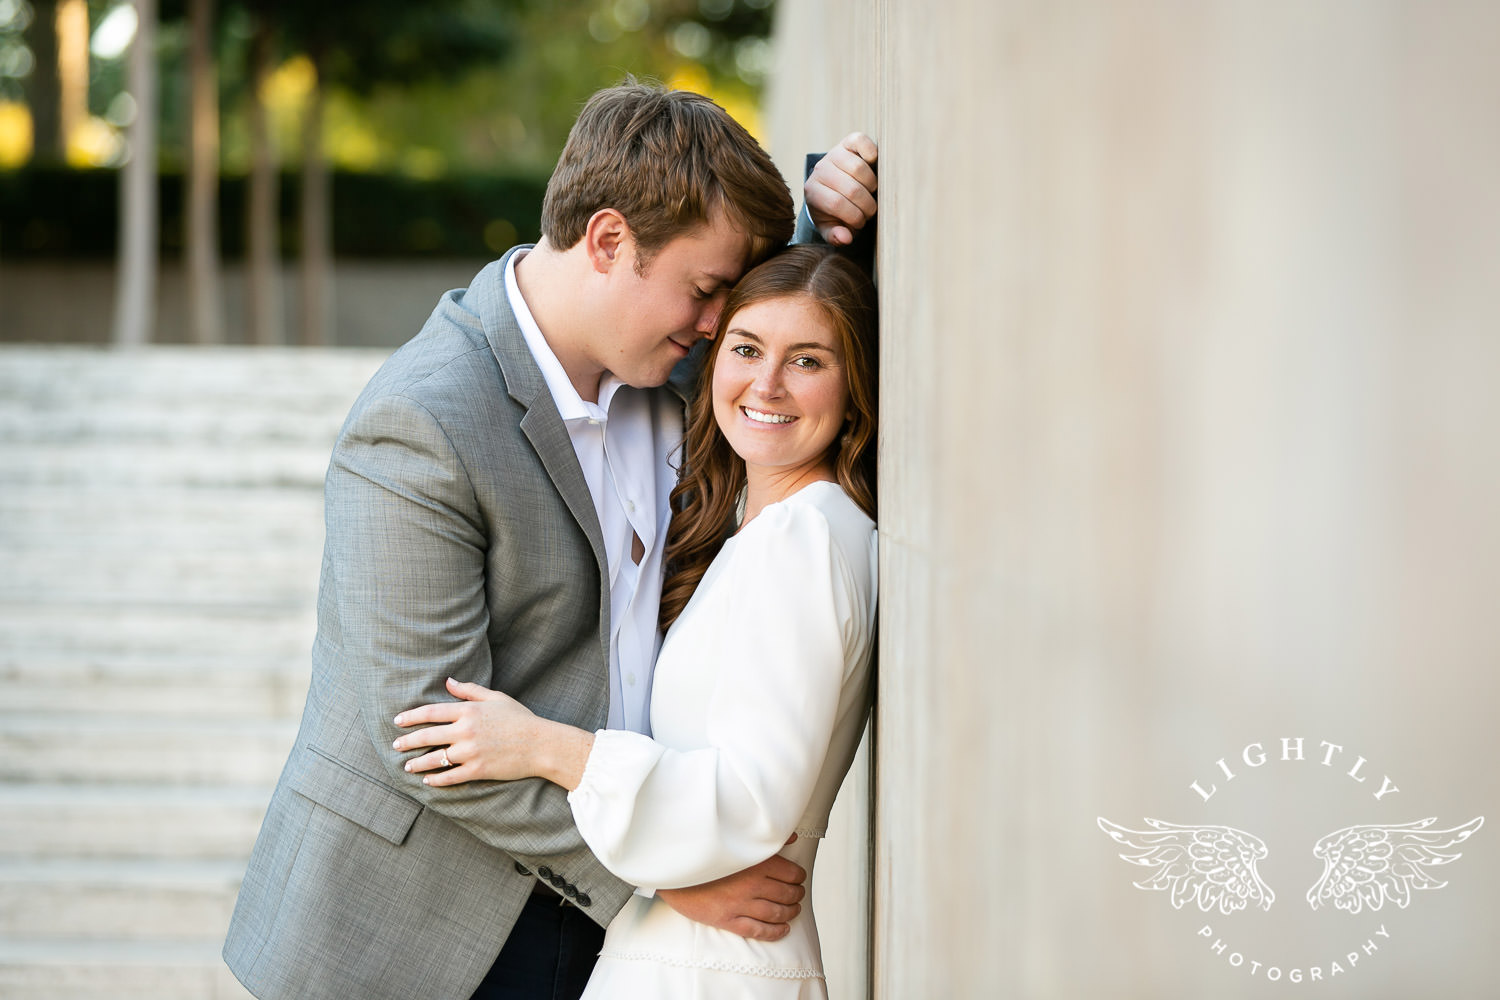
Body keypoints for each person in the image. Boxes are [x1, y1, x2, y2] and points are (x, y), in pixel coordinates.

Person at [222, 79, 877, 1000]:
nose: (715, 322)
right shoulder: (423, 421)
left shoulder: (670, 358)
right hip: (430, 927)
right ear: (609, 241)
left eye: (723, 298)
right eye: (704, 293)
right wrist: (668, 871)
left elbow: (784, 352)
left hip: (618, 918)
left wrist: (830, 211)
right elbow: (422, 730)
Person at [393, 244, 879, 999]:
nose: (768, 383)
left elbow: (751, 801)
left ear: (855, 388)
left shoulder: (801, 541)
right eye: (747, 348)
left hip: (716, 966)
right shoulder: (768, 528)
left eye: (809, 360)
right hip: (687, 952)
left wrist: (548, 748)